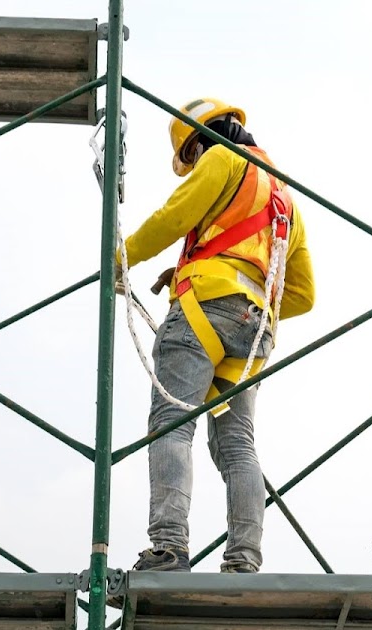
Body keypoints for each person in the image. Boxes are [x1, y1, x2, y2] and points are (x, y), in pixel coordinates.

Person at [117, 97, 315, 574]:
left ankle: (168, 547)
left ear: (199, 141)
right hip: (254, 332)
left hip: (201, 312)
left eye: (190, 157)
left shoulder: (221, 159)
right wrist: (245, 304)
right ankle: (244, 560)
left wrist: (119, 256)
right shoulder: (284, 197)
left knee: (171, 423)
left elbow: (174, 216)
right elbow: (303, 295)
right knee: (237, 446)